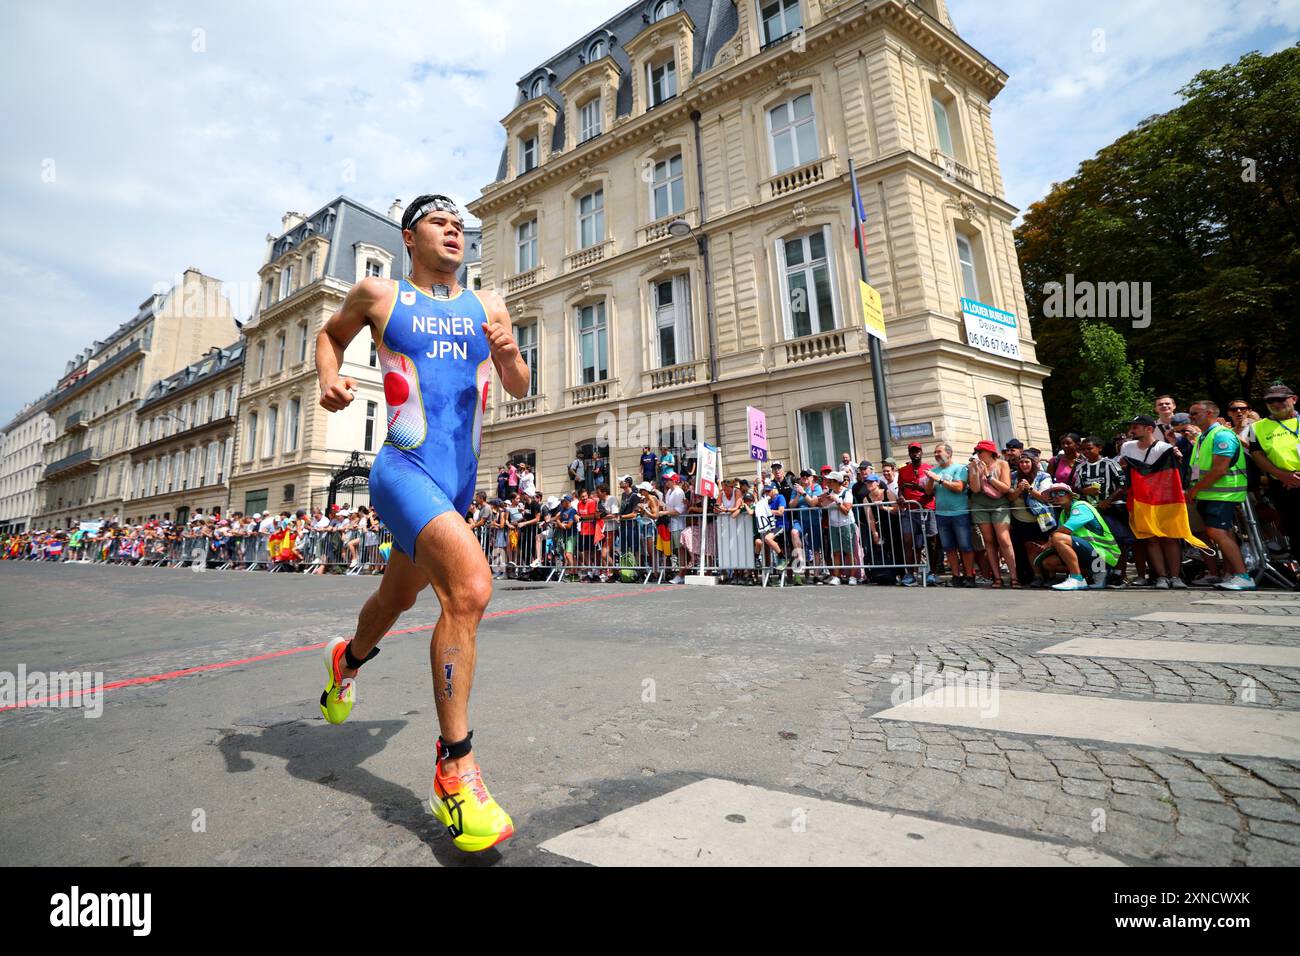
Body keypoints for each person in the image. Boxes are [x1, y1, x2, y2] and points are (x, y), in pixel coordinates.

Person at [315, 193, 529, 852]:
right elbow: (329, 336)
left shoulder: (488, 305)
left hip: (457, 483)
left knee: (398, 595)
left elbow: (519, 385)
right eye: (438, 222)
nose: (453, 231)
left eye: (459, 224)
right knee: (469, 589)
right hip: (403, 471)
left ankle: (345, 660)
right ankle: (455, 768)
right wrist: (330, 380)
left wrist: (509, 351)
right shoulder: (380, 296)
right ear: (411, 237)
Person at [1186, 401, 1253, 590]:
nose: (1191, 417)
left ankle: (1243, 575)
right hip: (1211, 493)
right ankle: (1232, 573)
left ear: (1209, 413)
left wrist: (1195, 489)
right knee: (1223, 533)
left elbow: (1220, 470)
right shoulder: (1204, 437)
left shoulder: (1222, 434)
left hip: (1223, 493)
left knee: (1217, 532)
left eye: (1194, 413)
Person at [1037, 483, 1120, 590]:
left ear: (1070, 495)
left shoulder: (1081, 506)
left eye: (1061, 493)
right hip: (1091, 554)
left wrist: (1050, 541)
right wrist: (1047, 546)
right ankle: (1095, 573)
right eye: (1053, 494)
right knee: (1048, 563)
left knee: (1058, 537)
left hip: (1105, 554)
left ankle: (1077, 578)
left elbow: (1064, 531)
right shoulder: (1063, 513)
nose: (1057, 496)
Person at [1250, 384, 1300, 555]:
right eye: (1271, 401)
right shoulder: (1256, 427)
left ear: (1294, 399)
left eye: (1281, 399)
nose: (1276, 403)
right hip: (1284, 484)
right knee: (1294, 528)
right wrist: (1283, 475)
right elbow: (1257, 455)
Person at [924, 442, 976, 587]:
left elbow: (959, 487)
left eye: (938, 452)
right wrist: (930, 478)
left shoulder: (959, 468)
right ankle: (956, 576)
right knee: (949, 547)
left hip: (960, 513)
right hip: (941, 514)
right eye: (934, 452)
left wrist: (939, 479)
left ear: (949, 453)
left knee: (965, 546)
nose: (936, 455)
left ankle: (970, 575)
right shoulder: (935, 470)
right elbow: (928, 492)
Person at [967, 440, 1017, 587]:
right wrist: (976, 472)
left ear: (989, 452)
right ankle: (997, 578)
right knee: (988, 540)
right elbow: (975, 490)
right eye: (977, 452)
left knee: (1004, 539)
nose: (978, 454)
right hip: (980, 505)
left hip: (1000, 505)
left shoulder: (1002, 464)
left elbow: (1006, 488)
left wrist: (989, 476)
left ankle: (1014, 576)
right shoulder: (974, 466)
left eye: (980, 451)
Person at [1006, 450, 1056, 585]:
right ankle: (1037, 575)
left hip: (1042, 517)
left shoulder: (1043, 476)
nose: (1023, 465)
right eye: (1021, 462)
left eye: (1027, 462)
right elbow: (1009, 497)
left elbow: (1045, 498)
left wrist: (1029, 489)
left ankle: (1051, 575)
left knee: (1044, 546)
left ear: (1033, 463)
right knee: (1029, 547)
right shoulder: (1013, 476)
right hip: (1022, 519)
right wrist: (1018, 490)